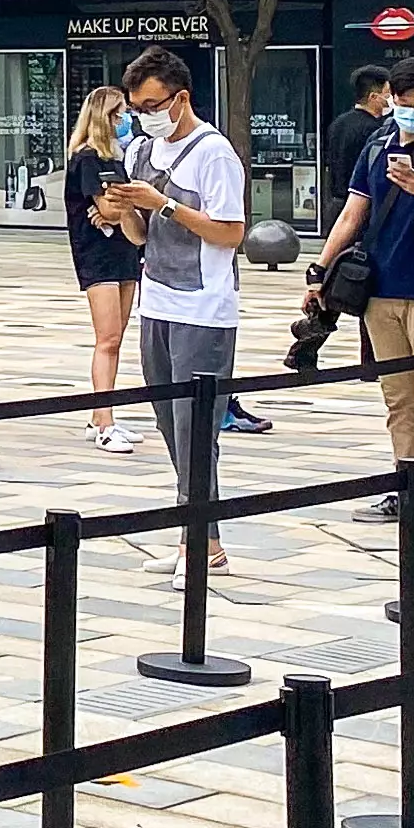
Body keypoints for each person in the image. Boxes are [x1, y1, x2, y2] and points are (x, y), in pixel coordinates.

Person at [303, 58, 414, 508]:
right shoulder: (376, 146)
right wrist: (319, 272)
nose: (411, 112)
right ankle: (408, 486)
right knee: (398, 398)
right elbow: (352, 213)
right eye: (403, 103)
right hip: (379, 292)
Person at [106, 47, 250, 568]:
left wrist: (163, 202)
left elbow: (231, 233)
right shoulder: (141, 153)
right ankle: (197, 538)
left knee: (196, 427)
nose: (144, 116)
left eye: (152, 105)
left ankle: (203, 543)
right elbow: (140, 235)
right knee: (170, 421)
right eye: (136, 108)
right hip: (157, 299)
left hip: (204, 307)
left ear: (181, 97)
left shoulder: (214, 152)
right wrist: (123, 211)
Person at [62, 84, 145, 454]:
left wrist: (119, 208)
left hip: (125, 250)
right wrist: (118, 207)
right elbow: (107, 207)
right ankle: (105, 423)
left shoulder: (118, 158)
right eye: (119, 113)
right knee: (107, 338)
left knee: (119, 335)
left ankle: (101, 413)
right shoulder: (87, 158)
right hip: (97, 255)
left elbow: (118, 209)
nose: (125, 119)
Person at [318, 64, 392, 232]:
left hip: (335, 206)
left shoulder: (339, 123)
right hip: (362, 208)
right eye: (387, 95)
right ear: (374, 97)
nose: (391, 100)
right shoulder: (376, 130)